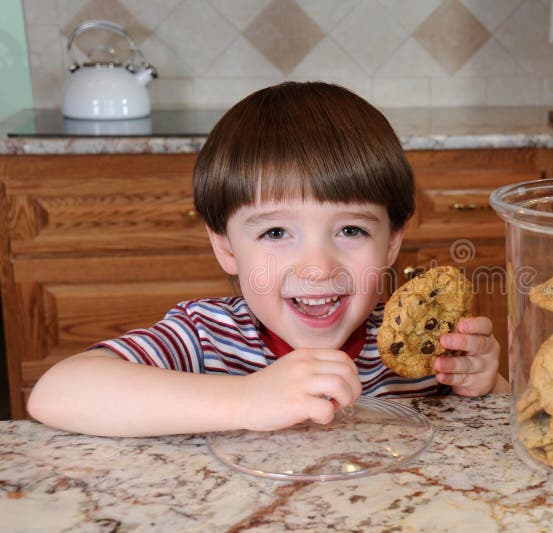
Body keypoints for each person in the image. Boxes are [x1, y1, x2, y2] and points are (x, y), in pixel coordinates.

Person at [28, 82, 508, 437]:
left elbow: (495, 442)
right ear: (226, 247)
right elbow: (58, 393)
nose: (318, 267)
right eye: (276, 232)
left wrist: (485, 385)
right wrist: (244, 400)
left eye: (350, 230)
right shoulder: (206, 337)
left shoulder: (425, 357)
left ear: (392, 242)